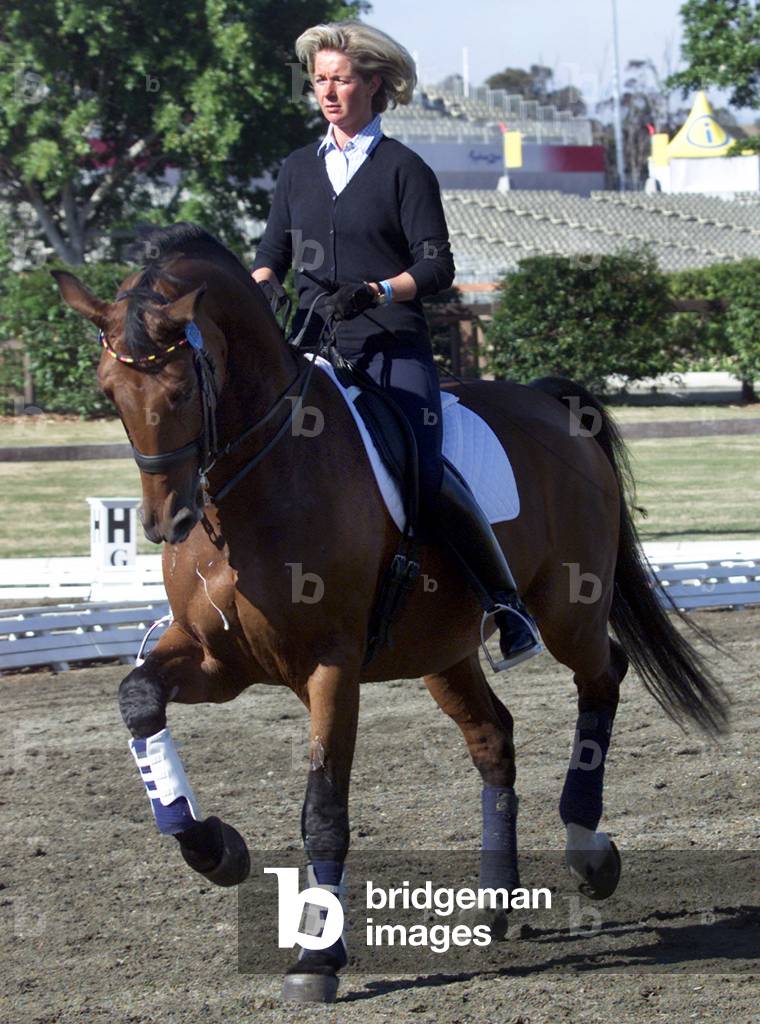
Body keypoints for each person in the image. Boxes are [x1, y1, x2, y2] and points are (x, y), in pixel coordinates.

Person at [251, 20, 540, 669]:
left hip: (389, 343)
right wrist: (261, 286)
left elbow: (436, 266)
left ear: (373, 84)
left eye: (341, 79)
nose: (327, 91)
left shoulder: (403, 169)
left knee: (421, 459)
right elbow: (272, 254)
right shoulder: (297, 168)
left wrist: (377, 291)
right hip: (311, 344)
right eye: (320, 80)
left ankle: (504, 602)